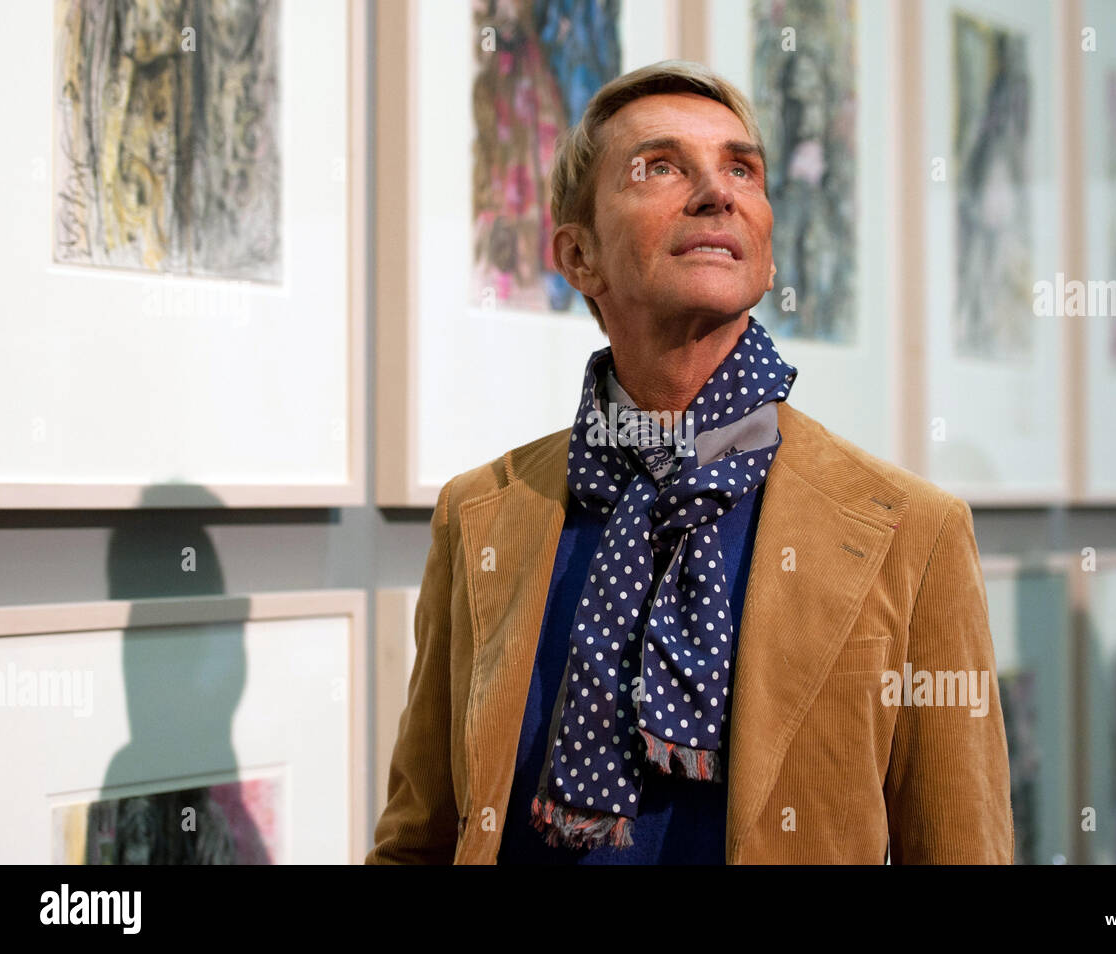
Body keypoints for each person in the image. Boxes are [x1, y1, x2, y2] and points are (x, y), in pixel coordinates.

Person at [367, 60, 1013, 864]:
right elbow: (418, 839)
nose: (718, 192)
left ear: (768, 257)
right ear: (579, 257)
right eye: (662, 167)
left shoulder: (913, 534)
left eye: (743, 169)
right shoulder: (482, 515)